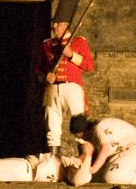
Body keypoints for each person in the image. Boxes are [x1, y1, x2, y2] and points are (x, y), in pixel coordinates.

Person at [36, 18, 94, 155]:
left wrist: (72, 55)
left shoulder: (79, 42)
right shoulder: (47, 44)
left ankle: (84, 158)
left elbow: (89, 66)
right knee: (52, 127)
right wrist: (45, 77)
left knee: (79, 125)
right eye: (53, 23)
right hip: (52, 89)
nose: (54, 26)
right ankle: (53, 159)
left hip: (72, 87)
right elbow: (38, 71)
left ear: (66, 25)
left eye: (58, 23)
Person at [68, 113, 136, 185]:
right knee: (97, 178)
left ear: (84, 131)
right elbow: (89, 157)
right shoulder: (93, 139)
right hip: (121, 155)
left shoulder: (100, 127)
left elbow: (105, 149)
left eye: (79, 136)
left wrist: (94, 169)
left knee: (110, 177)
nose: (81, 139)